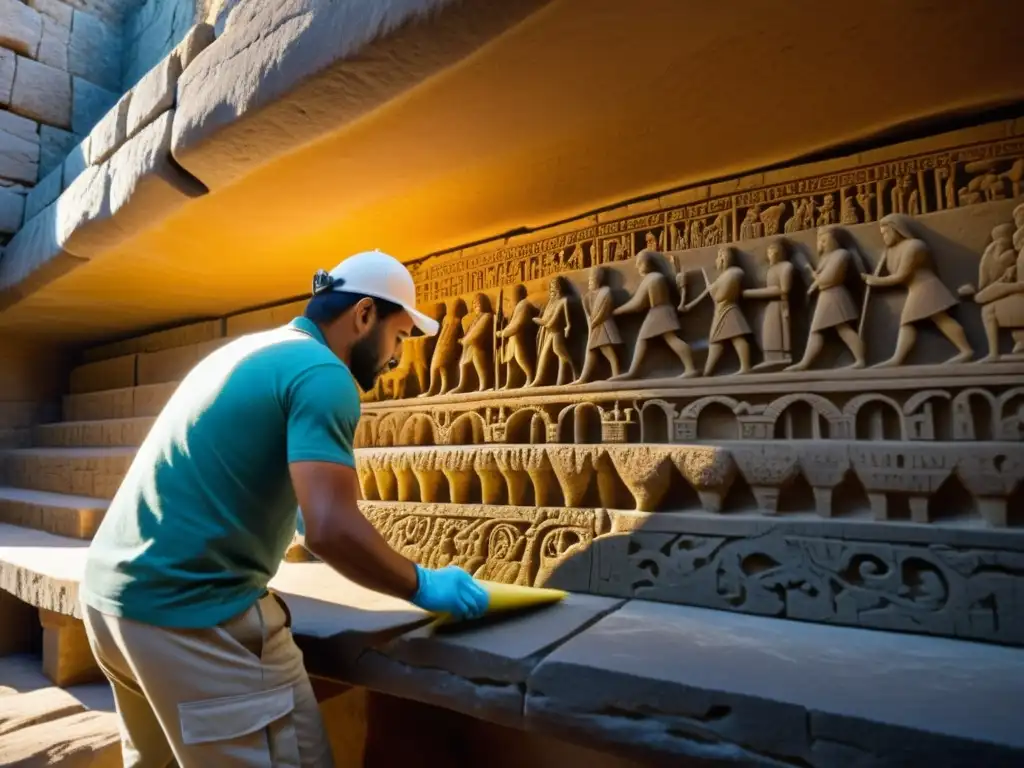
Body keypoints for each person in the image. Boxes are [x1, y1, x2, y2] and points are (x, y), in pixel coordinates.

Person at [79, 251, 490, 767]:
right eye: (400, 335)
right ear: (364, 315)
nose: (397, 358)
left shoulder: (254, 350)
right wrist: (421, 583)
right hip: (191, 616)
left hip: (112, 603)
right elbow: (330, 529)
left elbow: (246, 464)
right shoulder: (325, 375)